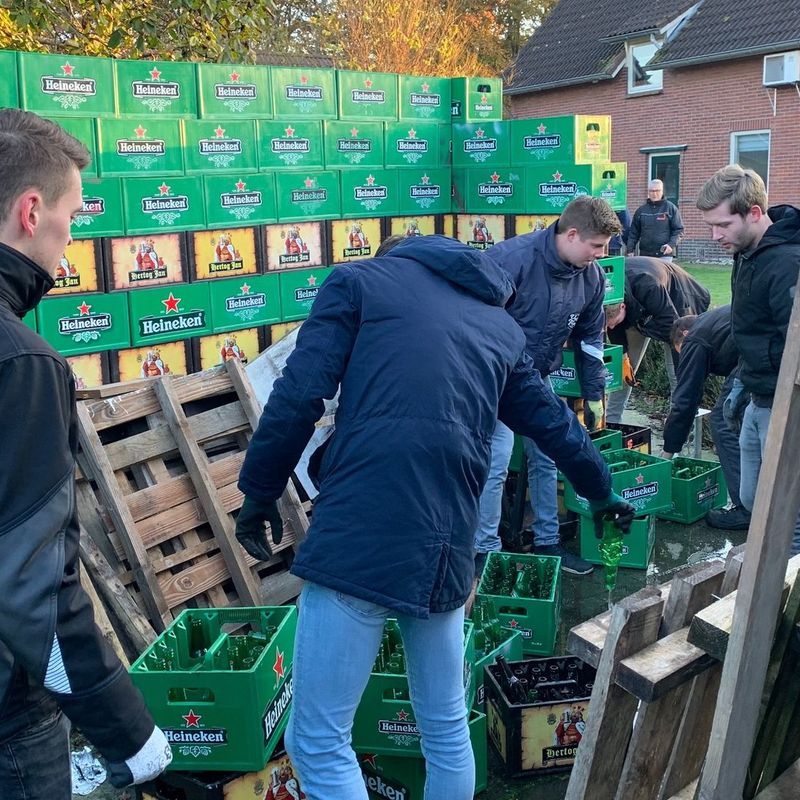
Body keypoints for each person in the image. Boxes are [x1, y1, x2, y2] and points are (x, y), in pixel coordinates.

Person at [234, 233, 635, 800]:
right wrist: (600, 492)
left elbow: (300, 395)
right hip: (447, 544)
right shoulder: (500, 329)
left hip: (360, 534)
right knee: (445, 728)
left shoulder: (359, 283)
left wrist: (258, 490)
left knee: (319, 741)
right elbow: (554, 424)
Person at [0, 109, 172, 798]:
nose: (71, 243)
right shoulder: (22, 365)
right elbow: (29, 592)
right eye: (72, 218)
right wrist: (131, 737)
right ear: (30, 210)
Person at [476, 196, 622, 576]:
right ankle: (485, 552)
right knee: (495, 460)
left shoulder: (591, 277)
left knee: (547, 455)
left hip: (536, 377)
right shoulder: (511, 260)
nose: (599, 254)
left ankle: (547, 542)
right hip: (493, 380)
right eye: (595, 246)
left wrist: (594, 395)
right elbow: (471, 324)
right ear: (571, 234)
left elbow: (591, 342)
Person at [697, 164, 800, 554]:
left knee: (786, 513)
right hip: (758, 393)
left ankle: (780, 598)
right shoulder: (748, 251)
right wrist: (742, 385)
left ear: (754, 213)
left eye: (722, 224)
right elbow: (756, 331)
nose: (714, 235)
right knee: (753, 497)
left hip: (786, 406)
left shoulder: (786, 263)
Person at [660, 306, 749, 530]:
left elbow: (685, 402)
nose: (684, 357)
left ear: (684, 336)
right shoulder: (712, 324)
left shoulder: (695, 339)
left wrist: (667, 452)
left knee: (722, 422)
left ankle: (745, 508)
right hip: (765, 349)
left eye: (681, 351)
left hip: (753, 358)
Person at [605, 256, 710, 423]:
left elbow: (674, 330)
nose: (609, 328)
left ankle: (677, 425)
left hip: (678, 300)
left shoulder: (649, 287)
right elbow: (614, 326)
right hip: (637, 306)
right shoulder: (609, 295)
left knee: (677, 374)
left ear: (622, 307)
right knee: (621, 371)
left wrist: (683, 370)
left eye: (612, 323)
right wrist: (623, 357)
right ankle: (612, 424)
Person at [627, 179, 684, 262]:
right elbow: (633, 233)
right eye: (652, 191)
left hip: (664, 254)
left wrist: (671, 245)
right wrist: (630, 250)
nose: (654, 194)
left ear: (662, 191)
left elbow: (679, 230)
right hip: (645, 254)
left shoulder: (670, 208)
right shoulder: (641, 211)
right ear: (648, 192)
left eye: (657, 190)